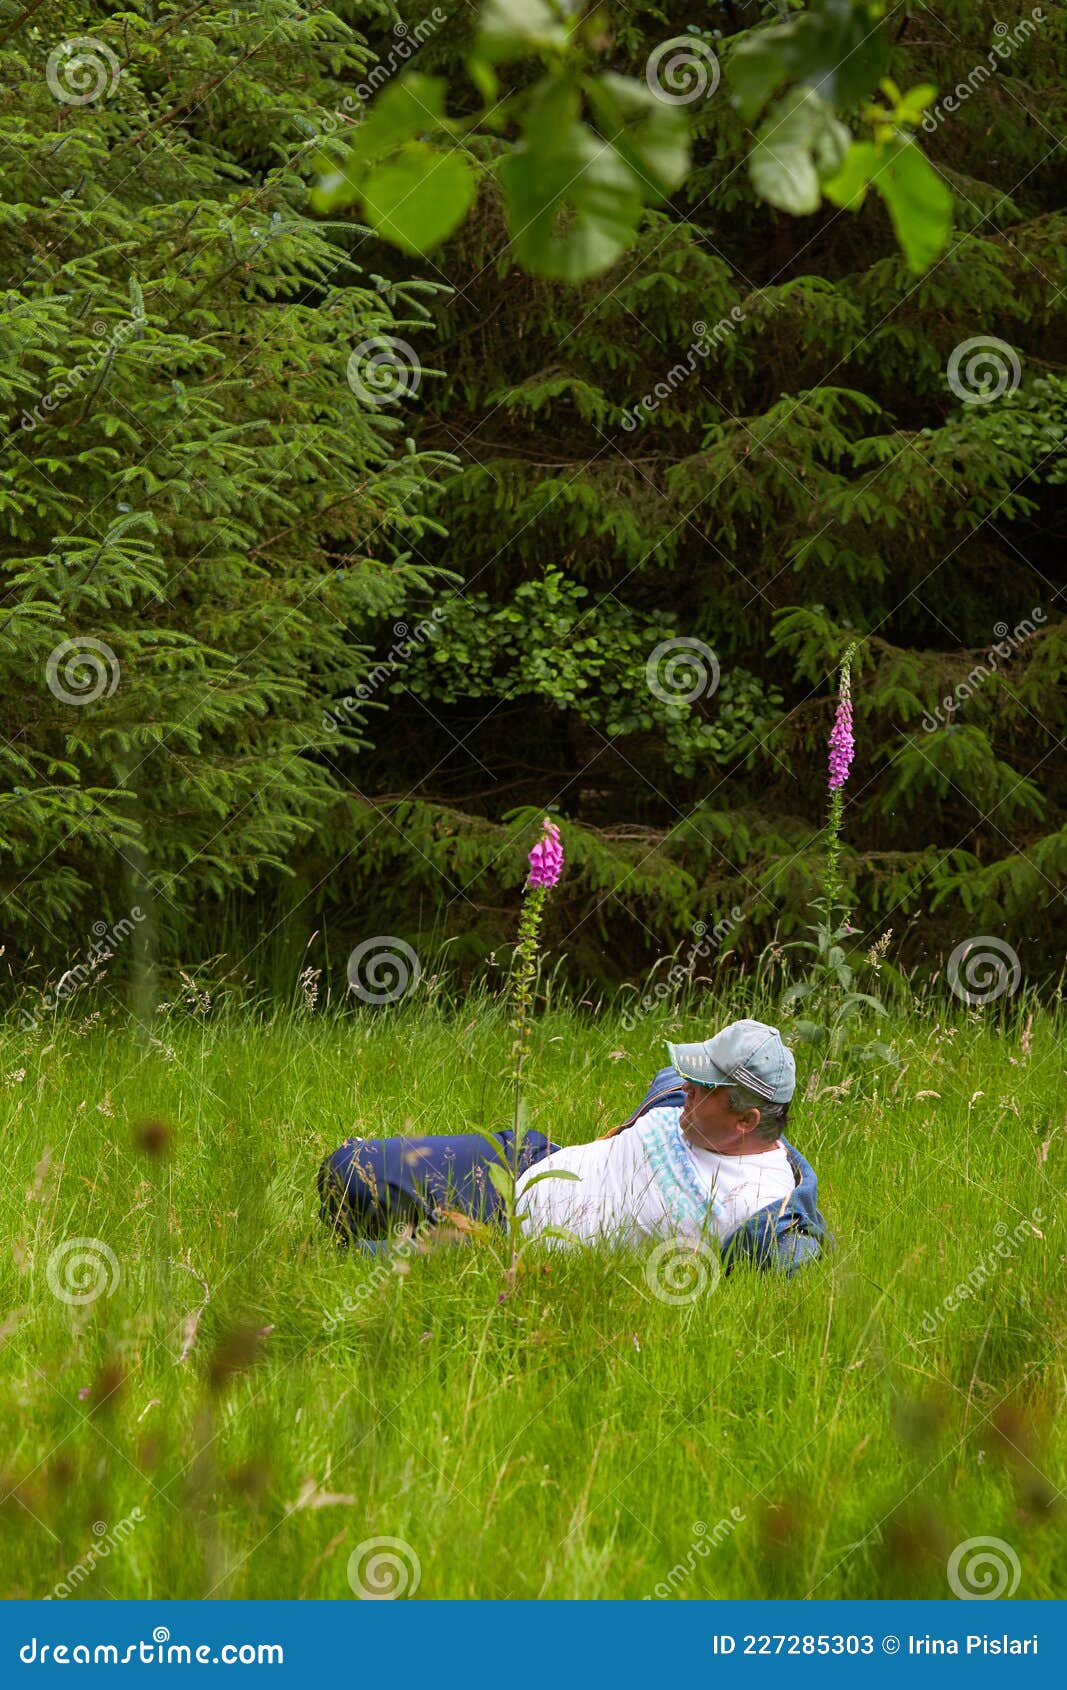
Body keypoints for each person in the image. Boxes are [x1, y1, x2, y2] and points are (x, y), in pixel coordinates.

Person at [318, 1019, 825, 1275]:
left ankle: (413, 1229)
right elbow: (671, 1080)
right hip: (527, 1164)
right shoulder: (687, 1104)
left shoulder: (758, 1207)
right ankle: (402, 1212)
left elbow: (799, 1255)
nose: (688, 1089)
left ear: (745, 1121)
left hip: (514, 1246)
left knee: (354, 1258)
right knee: (345, 1172)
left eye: (703, 1088)